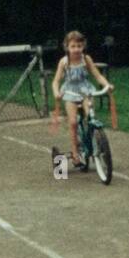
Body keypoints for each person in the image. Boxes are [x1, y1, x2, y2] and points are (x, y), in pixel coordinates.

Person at [51, 30, 114, 167]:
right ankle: (75, 154)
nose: (76, 49)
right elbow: (56, 81)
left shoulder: (86, 59)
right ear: (67, 46)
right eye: (73, 46)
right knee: (73, 122)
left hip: (85, 91)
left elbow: (97, 75)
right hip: (70, 92)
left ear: (83, 46)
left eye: (79, 46)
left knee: (91, 117)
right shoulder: (64, 62)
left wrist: (107, 85)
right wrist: (56, 92)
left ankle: (92, 141)